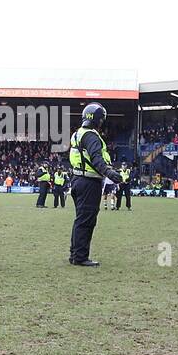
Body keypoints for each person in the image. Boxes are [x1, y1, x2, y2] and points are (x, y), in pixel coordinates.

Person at [67, 103, 122, 266]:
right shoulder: (91, 136)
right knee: (86, 220)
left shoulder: (78, 133)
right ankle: (80, 257)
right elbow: (96, 158)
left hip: (78, 180)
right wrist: (110, 173)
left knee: (80, 219)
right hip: (89, 182)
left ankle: (75, 253)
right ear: (99, 120)